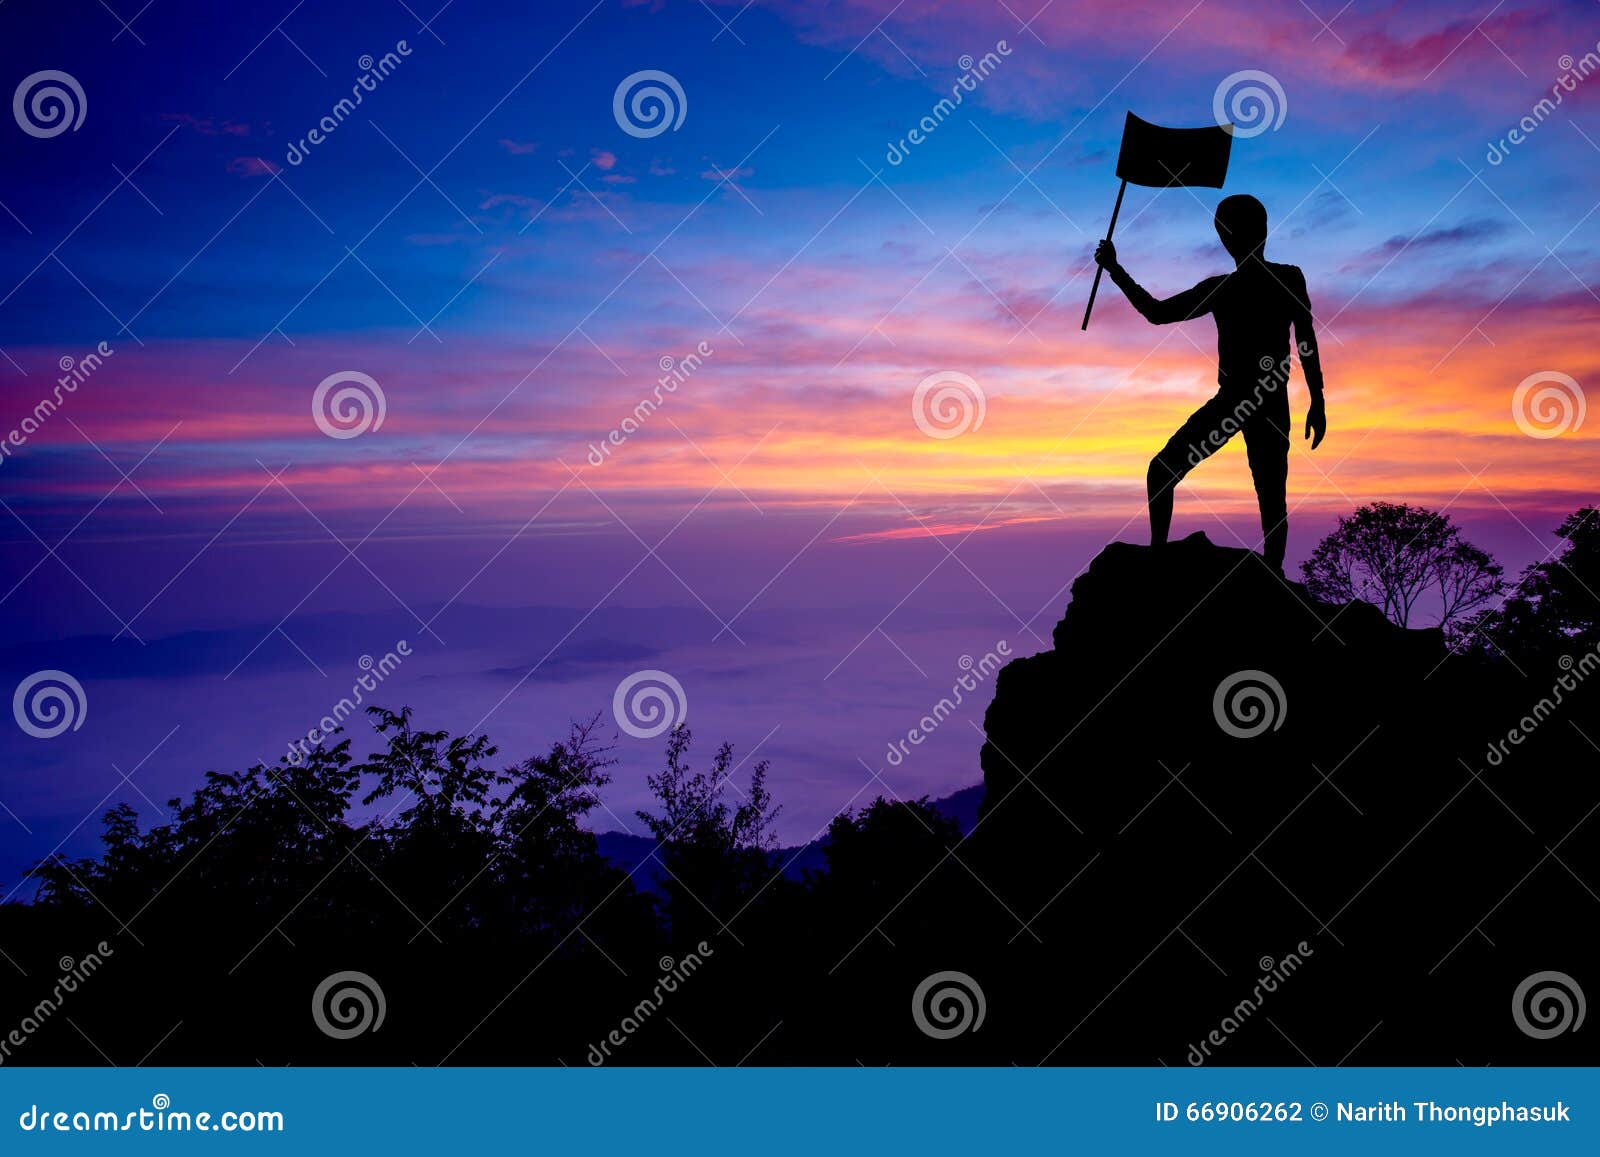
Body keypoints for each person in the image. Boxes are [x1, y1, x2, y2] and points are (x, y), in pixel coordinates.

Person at [1093, 194, 1326, 573]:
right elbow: (1158, 313)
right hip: (1253, 398)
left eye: (1227, 230)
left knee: (1266, 493)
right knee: (1263, 493)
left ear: (1229, 237)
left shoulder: (1260, 282)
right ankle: (1171, 560)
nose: (1227, 237)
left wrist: (1318, 400)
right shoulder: (1259, 281)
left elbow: (1306, 339)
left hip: (1252, 399)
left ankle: (1268, 574)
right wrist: (1316, 400)